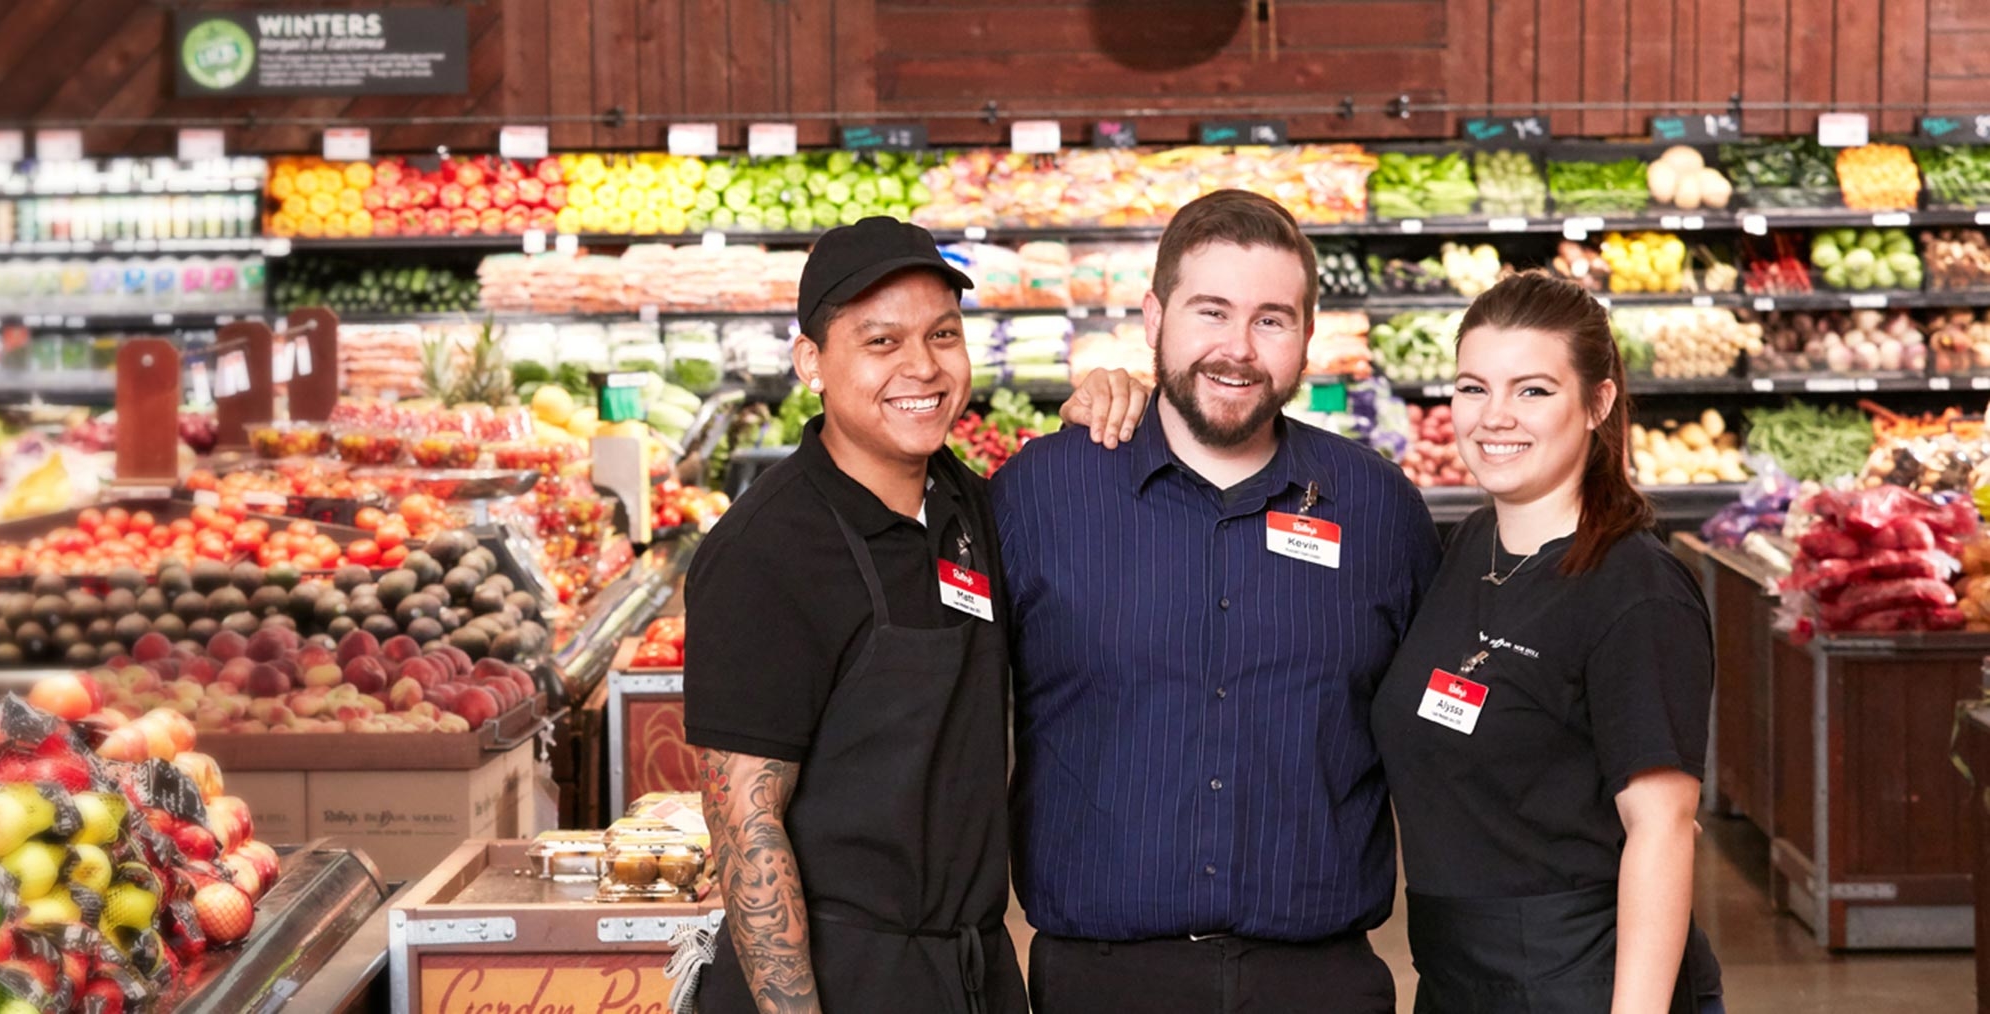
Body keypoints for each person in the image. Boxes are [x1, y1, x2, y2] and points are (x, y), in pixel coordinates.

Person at [992, 188, 1441, 1014]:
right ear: (1153, 316)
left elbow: (1445, 746)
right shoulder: (1039, 495)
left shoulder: (1378, 509)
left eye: (1271, 319)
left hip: (1319, 981)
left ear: (1307, 335)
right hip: (1100, 981)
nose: (1237, 349)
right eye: (1210, 312)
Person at [681, 216, 1139, 1014]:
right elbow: (745, 829)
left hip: (970, 967)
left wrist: (1103, 407)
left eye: (942, 335)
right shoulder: (767, 549)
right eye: (881, 342)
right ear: (811, 364)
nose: (921, 367)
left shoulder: (964, 504)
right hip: (840, 975)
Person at [1371, 271, 1722, 1013]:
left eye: (1531, 390)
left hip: (1582, 979)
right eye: (1472, 388)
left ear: (1596, 403)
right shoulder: (1468, 546)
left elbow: (1661, 830)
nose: (1493, 417)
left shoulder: (1636, 592)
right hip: (1457, 973)